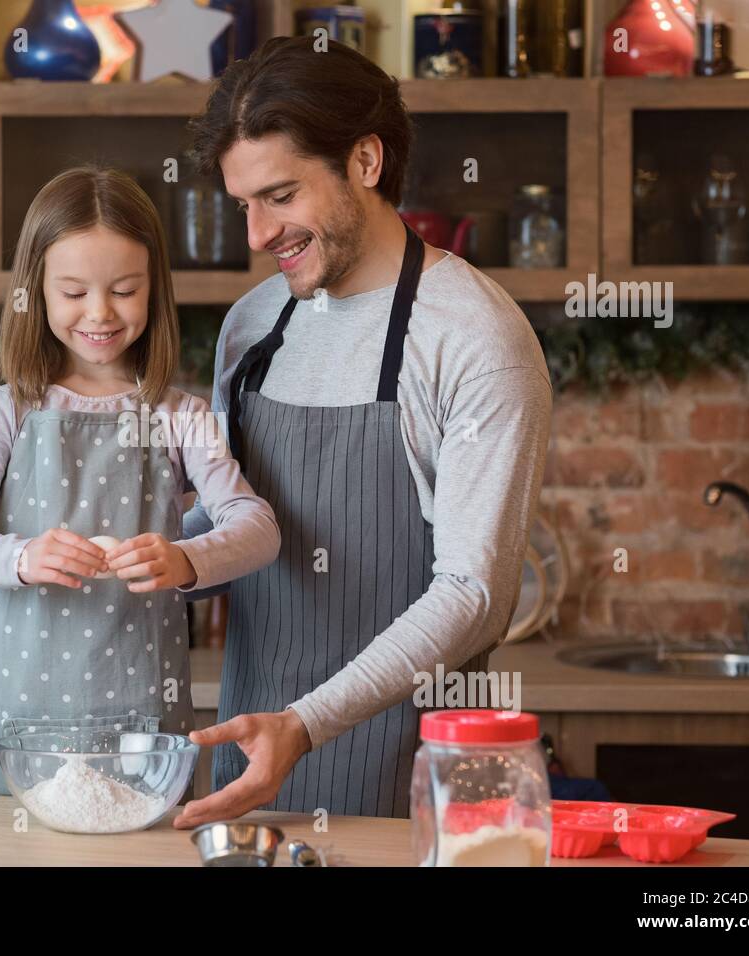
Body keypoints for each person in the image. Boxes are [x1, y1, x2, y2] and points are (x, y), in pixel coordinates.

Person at [172, 37, 552, 826]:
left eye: (279, 195)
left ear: (367, 161)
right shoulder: (252, 327)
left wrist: (304, 726)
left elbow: (475, 594)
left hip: (411, 785)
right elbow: (227, 523)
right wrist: (128, 551)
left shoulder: (475, 337)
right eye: (243, 203)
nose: (256, 234)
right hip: (247, 769)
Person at [0, 166, 280, 794]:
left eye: (123, 289)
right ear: (35, 293)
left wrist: (185, 558)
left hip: (143, 733)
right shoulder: (8, 409)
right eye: (72, 292)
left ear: (154, 290)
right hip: (18, 730)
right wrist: (22, 556)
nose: (99, 313)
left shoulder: (179, 416)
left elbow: (258, 529)